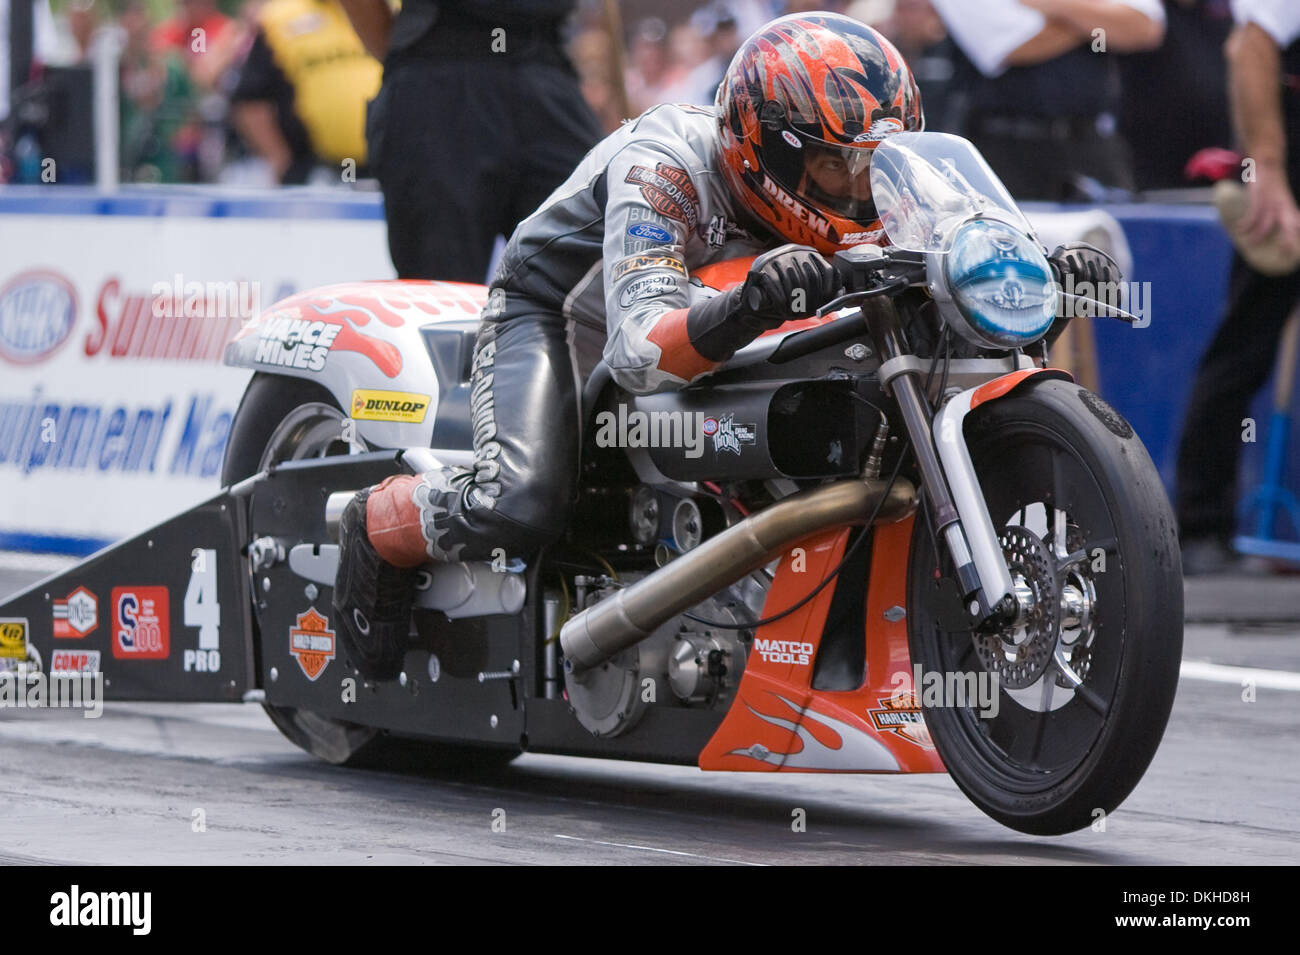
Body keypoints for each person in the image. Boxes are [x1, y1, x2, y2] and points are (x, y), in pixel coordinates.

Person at [330, 13, 925, 678]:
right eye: (834, 168)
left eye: (874, 168)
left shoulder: (870, 193)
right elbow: (639, 352)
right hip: (558, 316)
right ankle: (376, 520)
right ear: (773, 147)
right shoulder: (667, 163)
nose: (859, 189)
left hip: (712, 315)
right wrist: (754, 300)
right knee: (519, 501)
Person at [338, 0, 602, 282]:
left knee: (586, 285)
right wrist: (401, 58)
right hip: (439, 67)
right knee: (439, 293)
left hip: (548, 66)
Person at [1175, 0, 1300, 573]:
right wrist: (1267, 170)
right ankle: (1200, 525)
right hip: (1289, 168)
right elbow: (1248, 46)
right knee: (1245, 345)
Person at [928, 0, 1166, 199]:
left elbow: (1145, 28)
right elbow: (1014, 47)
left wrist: (1054, 5)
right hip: (1006, 153)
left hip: (1091, 147)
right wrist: (1096, 22)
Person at [229, 0, 381, 185]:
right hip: (318, 171)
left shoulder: (395, 8)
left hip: (392, 163)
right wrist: (280, 161)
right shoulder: (278, 18)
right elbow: (250, 99)